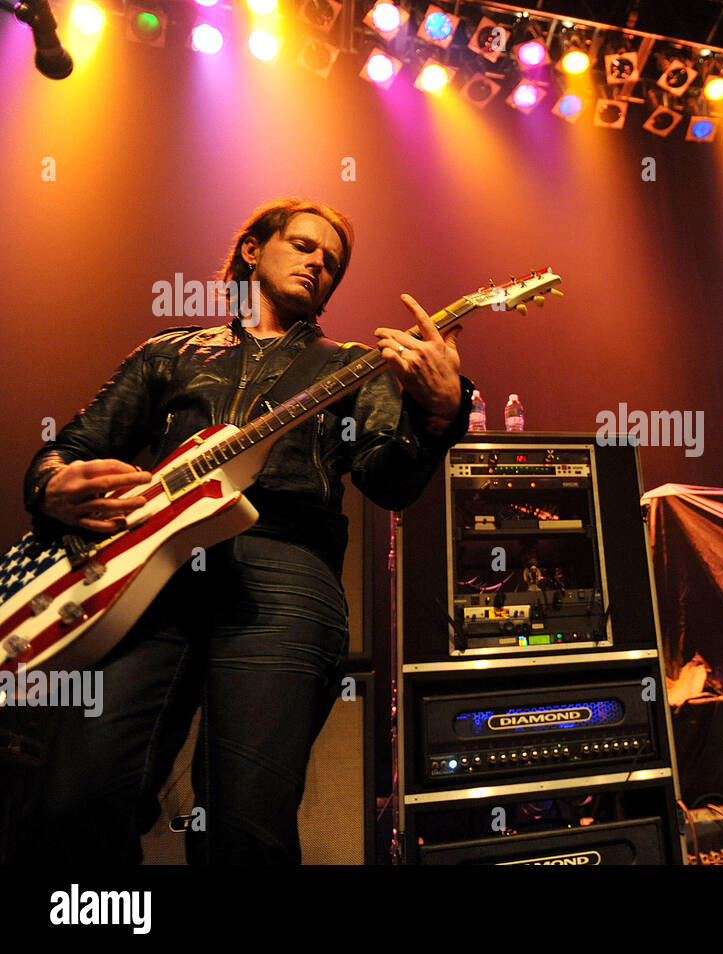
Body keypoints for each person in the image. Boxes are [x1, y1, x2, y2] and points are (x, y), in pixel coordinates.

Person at [20, 198, 473, 863]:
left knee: (245, 823)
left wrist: (438, 415)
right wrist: (49, 484)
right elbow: (72, 447)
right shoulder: (167, 353)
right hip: (150, 573)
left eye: (333, 261)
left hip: (284, 570)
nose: (320, 261)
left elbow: (388, 481)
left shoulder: (354, 366)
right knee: (76, 796)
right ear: (253, 251)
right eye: (304, 245)